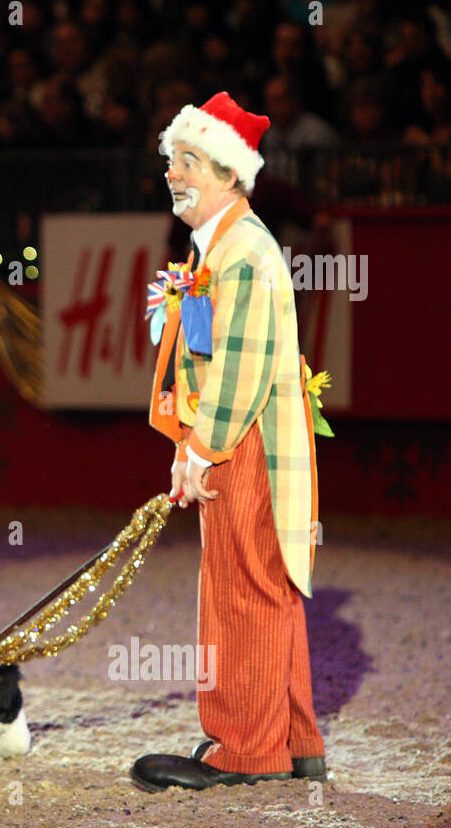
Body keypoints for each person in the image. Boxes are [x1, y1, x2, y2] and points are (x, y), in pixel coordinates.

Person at [132, 92, 325, 792]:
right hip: (245, 440)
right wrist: (191, 440)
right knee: (268, 585)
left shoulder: (242, 252)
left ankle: (246, 747)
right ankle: (293, 740)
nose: (173, 173)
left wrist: (199, 447)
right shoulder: (223, 245)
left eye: (188, 161)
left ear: (228, 172)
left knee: (241, 591)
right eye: (173, 160)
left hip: (244, 445)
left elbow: (239, 373)